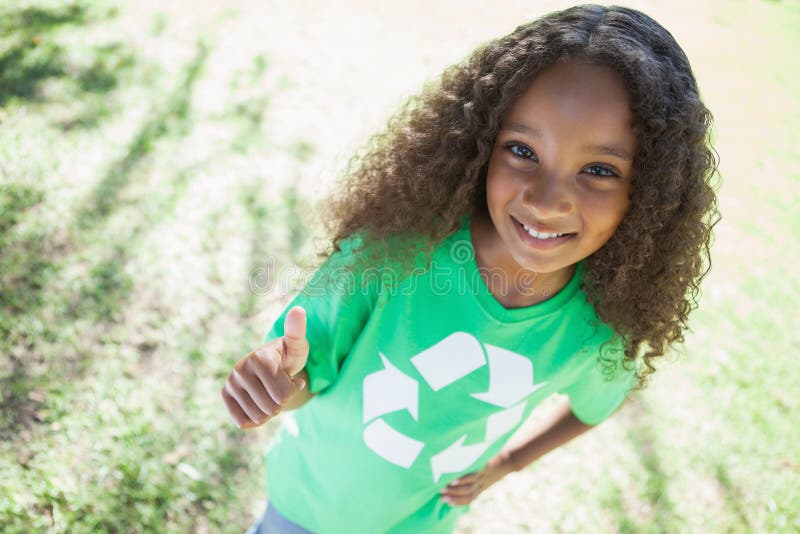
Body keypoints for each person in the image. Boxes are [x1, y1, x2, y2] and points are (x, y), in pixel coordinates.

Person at [221, 4, 720, 533]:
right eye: (523, 150)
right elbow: (302, 379)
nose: (548, 201)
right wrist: (276, 380)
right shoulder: (394, 252)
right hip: (305, 508)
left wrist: (508, 464)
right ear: (479, 141)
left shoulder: (597, 331)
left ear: (649, 194)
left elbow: (596, 405)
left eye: (598, 170)